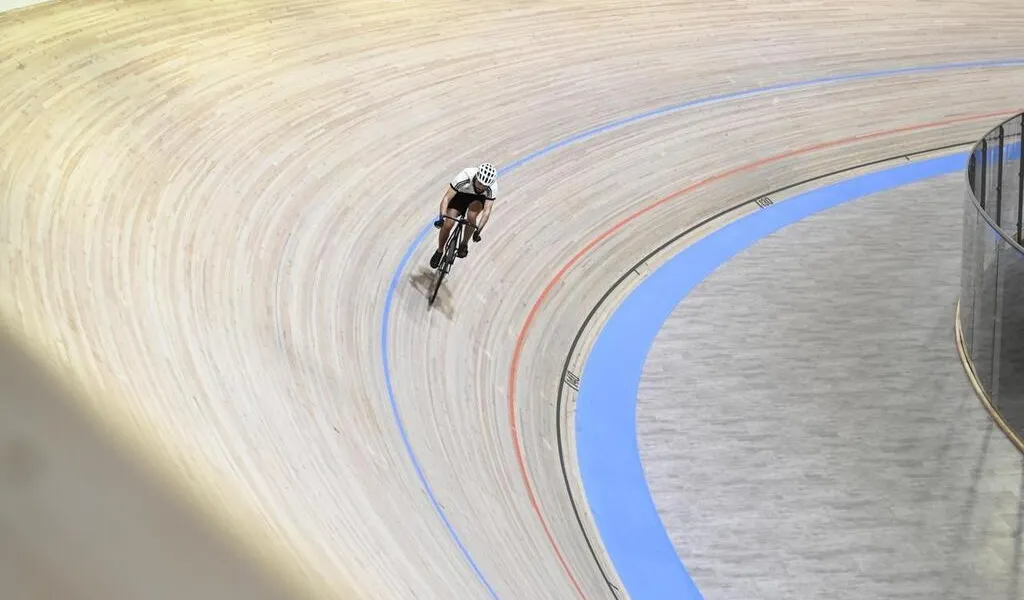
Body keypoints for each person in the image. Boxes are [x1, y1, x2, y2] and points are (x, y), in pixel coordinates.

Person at [430, 162, 497, 268]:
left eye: (485, 186)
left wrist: (478, 231)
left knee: (471, 216)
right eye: (479, 183)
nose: (481, 187)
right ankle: (439, 251)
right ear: (476, 177)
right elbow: (447, 198)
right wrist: (441, 217)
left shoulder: (492, 187)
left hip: (477, 200)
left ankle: (464, 244)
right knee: (448, 224)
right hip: (461, 196)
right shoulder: (465, 176)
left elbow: (487, 211)